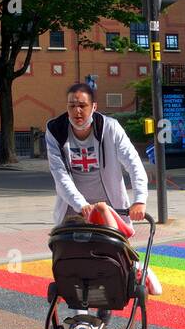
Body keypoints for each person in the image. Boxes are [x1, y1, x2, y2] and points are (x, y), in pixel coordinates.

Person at [45, 82, 148, 228]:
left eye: (82, 105)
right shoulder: (55, 130)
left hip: (109, 206)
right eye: (72, 106)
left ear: (94, 106)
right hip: (73, 207)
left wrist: (139, 200)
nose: (77, 111)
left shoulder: (110, 128)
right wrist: (82, 205)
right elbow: (60, 175)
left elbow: (134, 163)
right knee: (66, 246)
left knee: (113, 245)